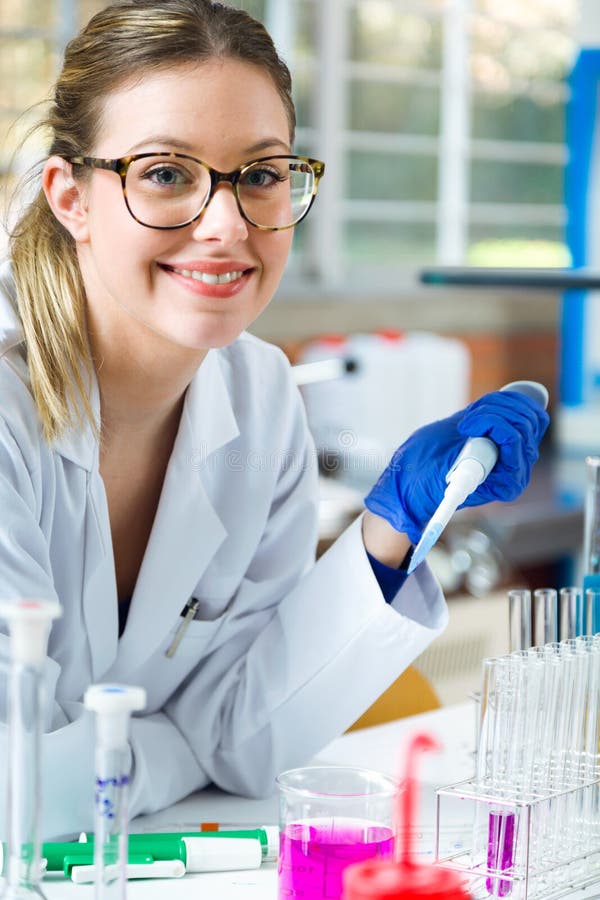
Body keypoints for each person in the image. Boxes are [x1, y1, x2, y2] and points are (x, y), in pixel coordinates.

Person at [0, 0, 548, 839]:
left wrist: (392, 532)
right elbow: (16, 787)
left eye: (259, 174)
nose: (226, 227)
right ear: (70, 196)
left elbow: (241, 737)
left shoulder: (258, 399)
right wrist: (169, 748)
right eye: (164, 172)